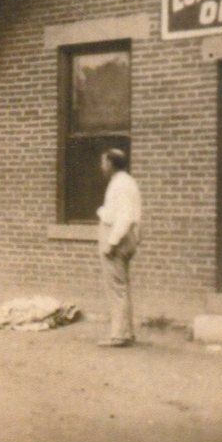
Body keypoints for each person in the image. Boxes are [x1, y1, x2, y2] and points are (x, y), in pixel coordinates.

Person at [96, 147, 142, 347]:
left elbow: (124, 216)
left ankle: (119, 335)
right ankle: (126, 331)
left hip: (117, 237)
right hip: (125, 236)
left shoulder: (121, 184)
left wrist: (112, 242)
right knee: (121, 287)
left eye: (104, 162)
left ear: (111, 164)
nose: (102, 166)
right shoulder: (127, 182)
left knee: (116, 288)